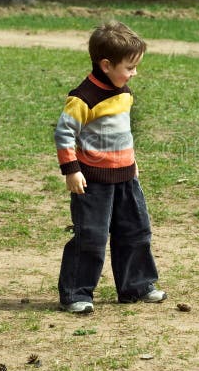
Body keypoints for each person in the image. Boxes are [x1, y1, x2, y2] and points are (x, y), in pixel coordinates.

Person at [54, 21, 166, 314]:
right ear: (106, 65)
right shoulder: (82, 98)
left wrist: (132, 162)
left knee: (136, 231)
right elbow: (64, 134)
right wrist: (72, 170)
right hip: (93, 182)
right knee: (91, 236)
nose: (134, 73)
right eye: (129, 67)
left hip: (126, 177)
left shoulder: (124, 92)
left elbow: (123, 132)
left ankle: (136, 286)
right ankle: (76, 292)